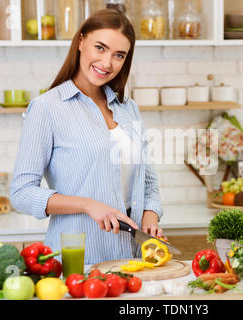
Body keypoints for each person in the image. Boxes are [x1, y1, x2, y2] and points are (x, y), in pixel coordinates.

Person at [10, 9, 164, 264]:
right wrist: (87, 204)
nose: (107, 63)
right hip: (80, 259)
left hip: (135, 258)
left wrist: (150, 216)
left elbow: (148, 183)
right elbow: (22, 193)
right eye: (100, 48)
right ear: (81, 42)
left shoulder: (129, 109)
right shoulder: (47, 107)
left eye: (118, 55)